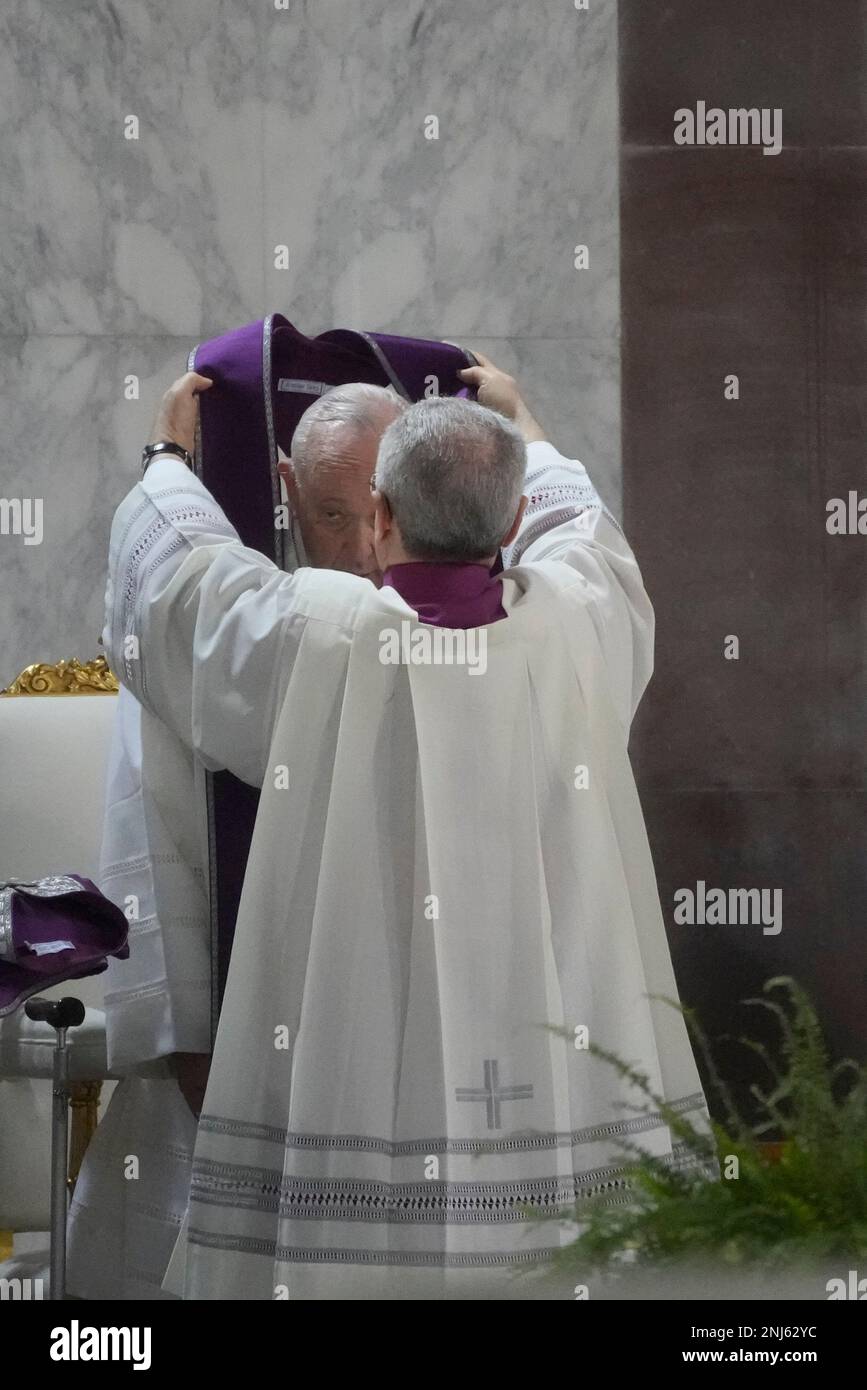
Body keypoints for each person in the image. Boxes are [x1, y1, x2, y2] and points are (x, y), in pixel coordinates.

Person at [101, 359, 711, 1300]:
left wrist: (168, 457)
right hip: (544, 1007)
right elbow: (585, 533)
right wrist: (526, 418)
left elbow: (178, 590)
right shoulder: (576, 623)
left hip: (363, 1011)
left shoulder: (315, 635)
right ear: (509, 525)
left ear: (379, 519)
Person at [66, 382, 407, 1300]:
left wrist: (163, 467)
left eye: (380, 513)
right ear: (283, 483)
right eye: (332, 513)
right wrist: (191, 1040)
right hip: (216, 1064)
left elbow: (176, 579)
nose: (361, 546)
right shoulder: (227, 640)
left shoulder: (441, 634)